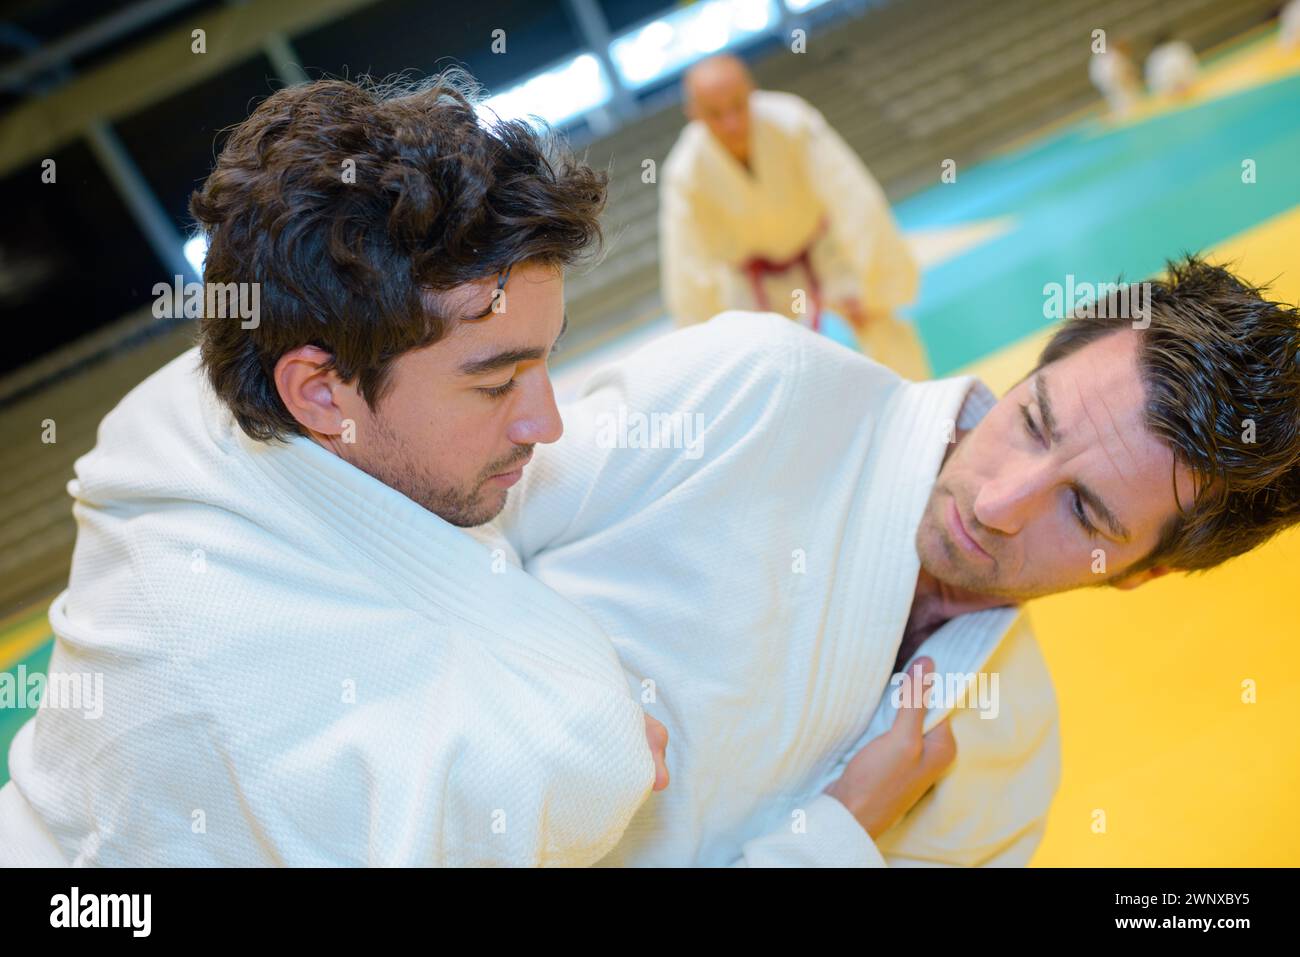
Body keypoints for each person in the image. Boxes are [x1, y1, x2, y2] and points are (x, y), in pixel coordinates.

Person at [0, 73, 668, 866]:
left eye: (543, 363)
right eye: (494, 383)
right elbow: (594, 763)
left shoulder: (207, 401)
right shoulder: (232, 684)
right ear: (320, 393)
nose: (544, 423)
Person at [479, 257, 1300, 866]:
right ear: (1031, 373)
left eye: (1082, 509)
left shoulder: (1006, 761)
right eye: (1035, 422)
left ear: (1138, 571)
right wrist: (551, 698)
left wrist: (843, 828)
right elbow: (452, 519)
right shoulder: (760, 385)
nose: (997, 503)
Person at [658, 53, 930, 380]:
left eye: (739, 106)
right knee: (752, 373)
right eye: (715, 114)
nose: (732, 123)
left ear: (753, 91)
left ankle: (930, 420)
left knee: (879, 320)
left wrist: (875, 280)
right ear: (693, 114)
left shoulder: (792, 121)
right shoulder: (685, 171)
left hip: (822, 251)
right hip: (748, 278)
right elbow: (686, 267)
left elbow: (853, 199)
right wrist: (700, 349)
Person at [1090, 38, 1142, 119]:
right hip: (1114, 84)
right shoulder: (1113, 57)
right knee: (1127, 104)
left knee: (1121, 104)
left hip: (1109, 84)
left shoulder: (1107, 56)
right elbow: (1123, 74)